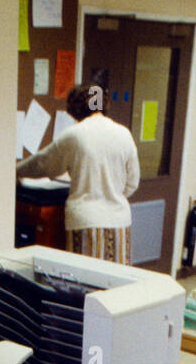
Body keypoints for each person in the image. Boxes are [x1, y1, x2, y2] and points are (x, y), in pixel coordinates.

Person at [16, 84, 140, 263]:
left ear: (75, 110)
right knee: (116, 284)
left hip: (85, 221)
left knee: (84, 282)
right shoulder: (124, 134)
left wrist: (14, 171)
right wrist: (110, 195)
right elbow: (132, 182)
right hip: (119, 222)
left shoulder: (75, 135)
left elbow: (43, 164)